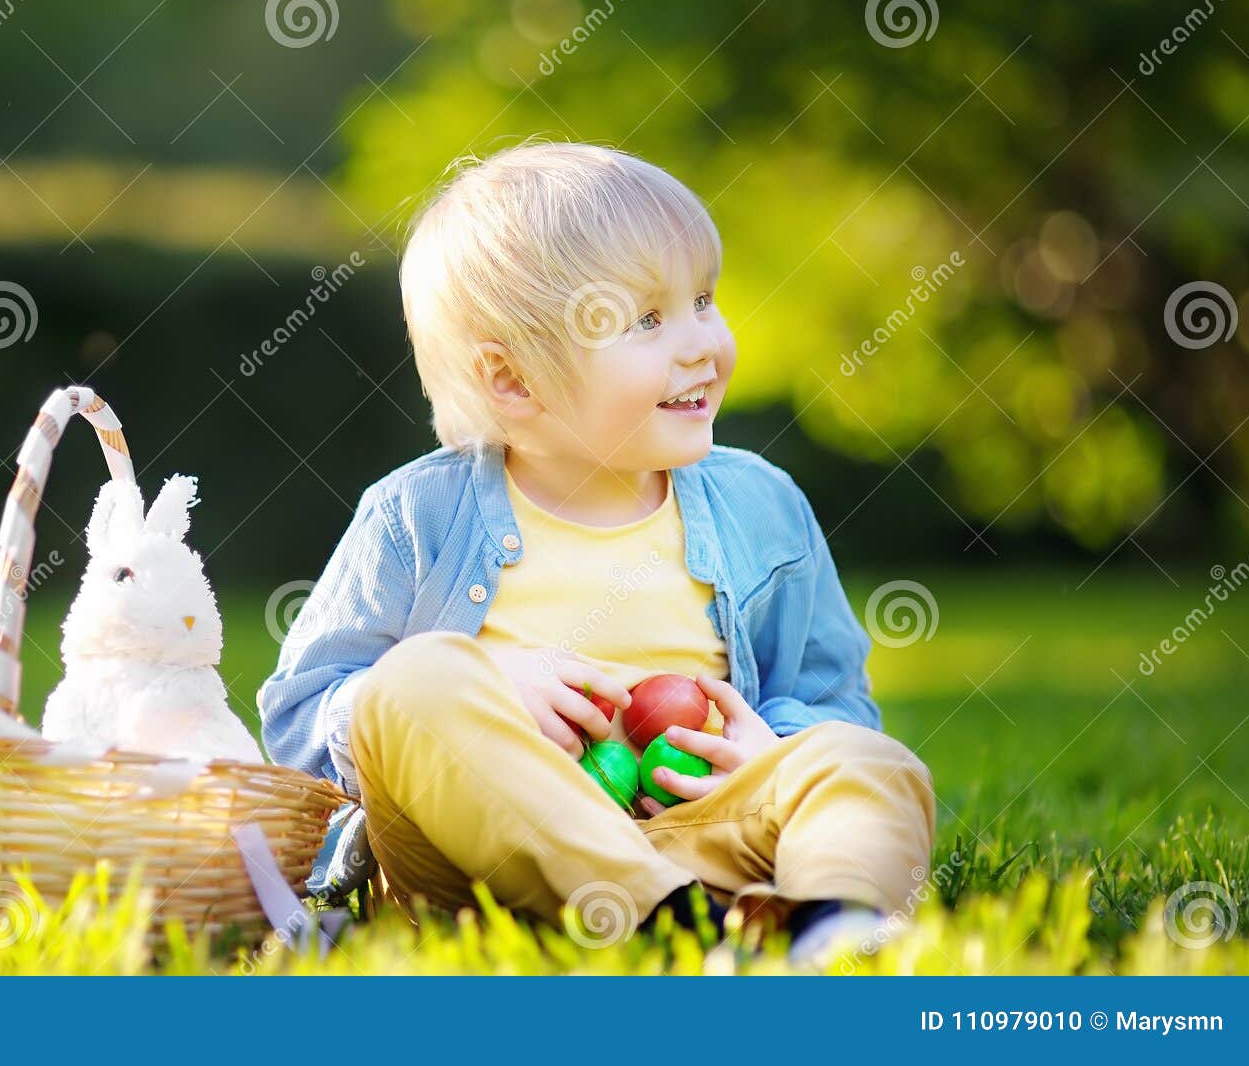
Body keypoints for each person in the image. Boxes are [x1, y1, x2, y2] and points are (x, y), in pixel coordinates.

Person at [256, 141, 935, 964]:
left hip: (692, 841)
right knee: (411, 678)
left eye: (703, 302)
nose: (701, 345)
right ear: (514, 383)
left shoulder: (761, 508)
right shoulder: (416, 515)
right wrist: (487, 686)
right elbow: (299, 717)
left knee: (866, 762)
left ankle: (829, 925)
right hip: (475, 869)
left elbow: (830, 697)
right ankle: (670, 928)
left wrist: (772, 751)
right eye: (647, 320)